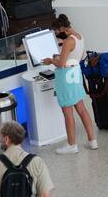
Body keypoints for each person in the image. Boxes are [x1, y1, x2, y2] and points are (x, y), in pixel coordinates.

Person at [42, 14, 99, 155]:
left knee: (67, 113)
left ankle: (71, 145)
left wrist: (51, 60)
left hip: (65, 77)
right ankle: (92, 141)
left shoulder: (68, 42)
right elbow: (75, 57)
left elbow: (61, 64)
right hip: (76, 75)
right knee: (81, 108)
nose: (57, 36)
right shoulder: (79, 36)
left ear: (62, 29)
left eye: (57, 32)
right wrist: (61, 57)